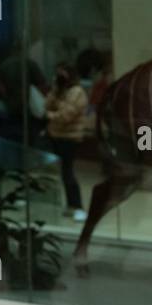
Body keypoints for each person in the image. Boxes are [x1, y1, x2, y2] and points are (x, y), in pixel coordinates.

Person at [46, 62, 90, 221]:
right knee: (61, 173)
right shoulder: (59, 91)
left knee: (68, 172)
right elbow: (46, 105)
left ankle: (77, 206)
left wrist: (50, 115)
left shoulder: (77, 92)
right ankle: (70, 205)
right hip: (56, 135)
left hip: (70, 137)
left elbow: (65, 115)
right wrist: (55, 90)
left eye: (62, 75)